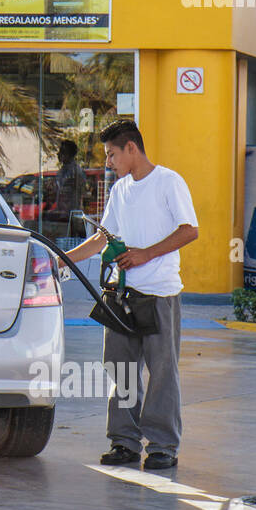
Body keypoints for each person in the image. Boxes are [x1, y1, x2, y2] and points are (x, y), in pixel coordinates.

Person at [63, 119, 198, 471]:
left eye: (111, 154)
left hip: (159, 294)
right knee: (121, 370)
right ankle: (124, 442)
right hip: (122, 295)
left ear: (131, 149)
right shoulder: (121, 191)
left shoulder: (168, 182)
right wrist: (61, 260)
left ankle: (162, 447)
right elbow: (102, 238)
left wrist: (145, 254)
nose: (108, 162)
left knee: (162, 372)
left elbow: (189, 230)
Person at [50, 139, 87, 236]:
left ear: (70, 154)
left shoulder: (76, 171)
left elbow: (81, 190)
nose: (59, 154)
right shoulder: (61, 172)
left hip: (71, 214)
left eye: (63, 152)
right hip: (61, 213)